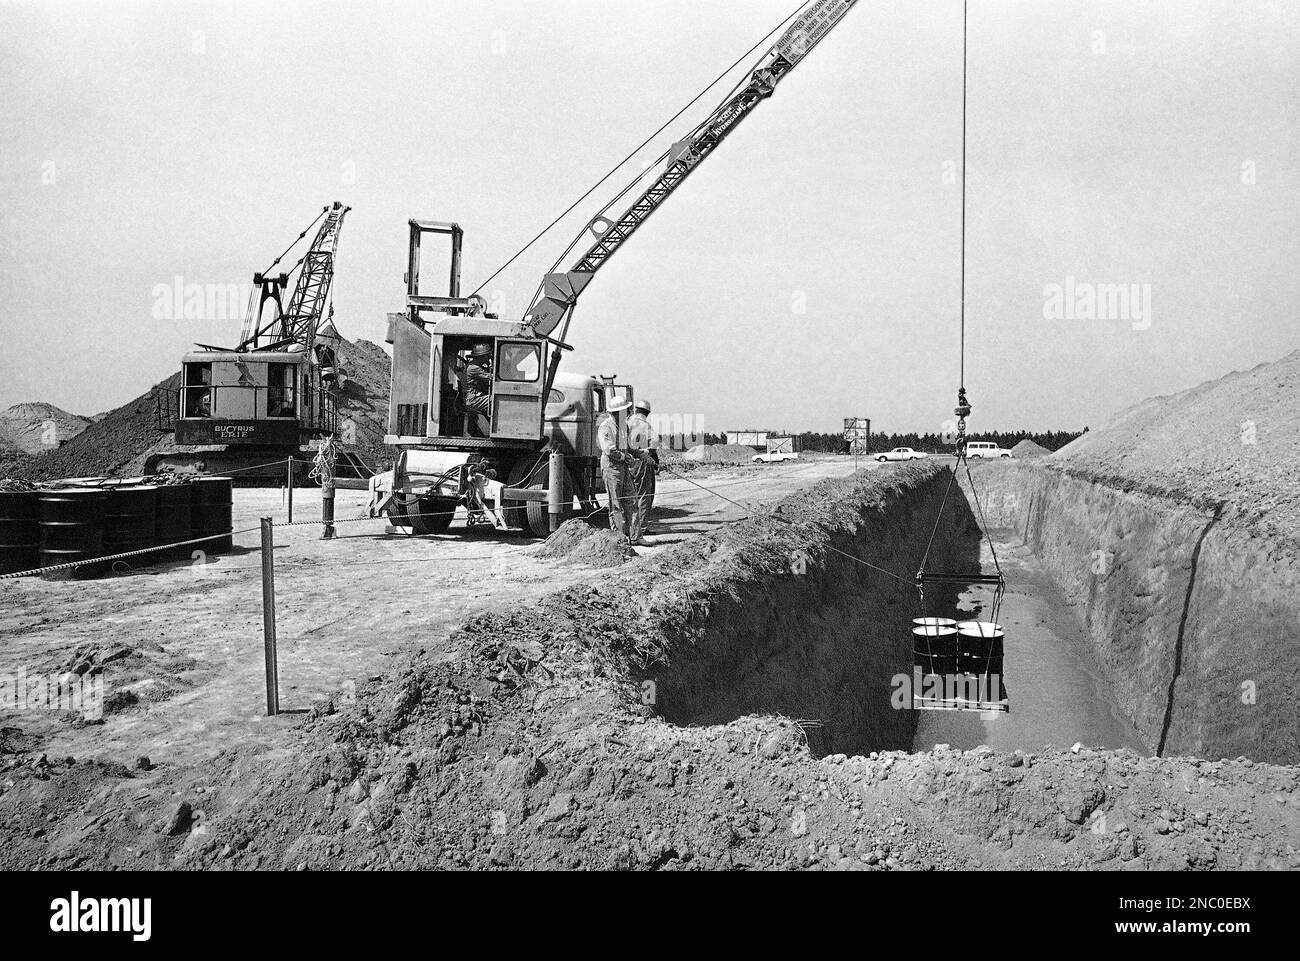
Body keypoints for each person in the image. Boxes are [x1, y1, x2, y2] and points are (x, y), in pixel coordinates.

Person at [598, 397, 634, 542]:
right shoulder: (605, 427)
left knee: (631, 501)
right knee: (616, 504)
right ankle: (620, 537)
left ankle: (635, 536)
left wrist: (640, 454)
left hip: (623, 467)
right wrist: (625, 457)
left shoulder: (624, 426)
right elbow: (609, 450)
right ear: (617, 412)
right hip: (611, 467)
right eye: (625, 411)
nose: (627, 413)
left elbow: (629, 446)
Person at [625, 399, 658, 544]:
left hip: (628, 461)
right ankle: (642, 527)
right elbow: (653, 445)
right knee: (644, 494)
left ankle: (630, 527)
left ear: (635, 410)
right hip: (643, 461)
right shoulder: (645, 425)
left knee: (630, 494)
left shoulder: (626, 422)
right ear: (647, 413)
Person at [460, 341, 493, 436]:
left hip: (473, 398)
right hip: (473, 400)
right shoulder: (474, 368)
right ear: (481, 356)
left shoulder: (474, 365)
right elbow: (492, 377)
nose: (489, 357)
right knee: (495, 400)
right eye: (488, 355)